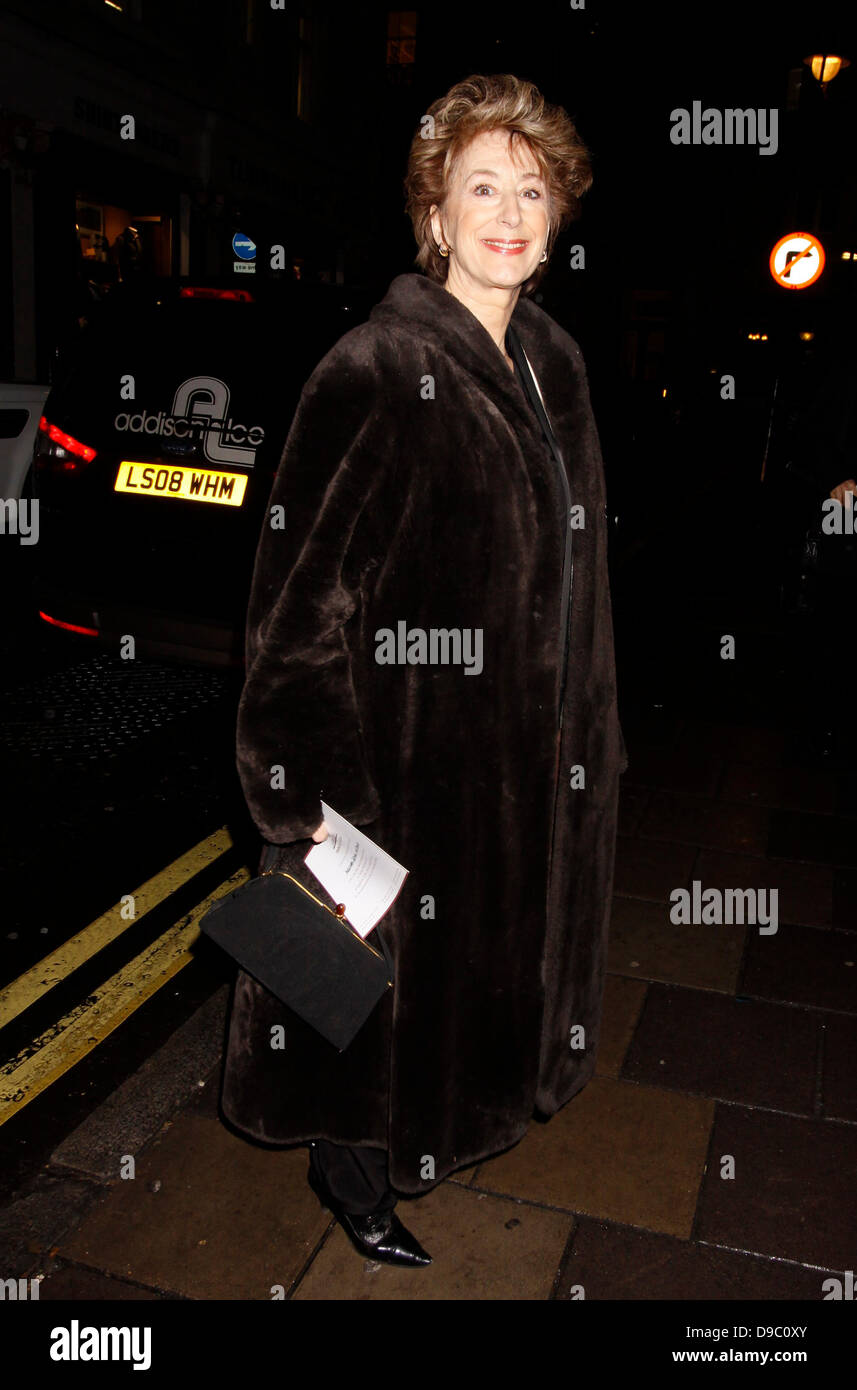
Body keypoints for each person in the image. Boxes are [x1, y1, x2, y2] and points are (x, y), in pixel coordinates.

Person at [220, 73, 626, 1268]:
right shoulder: (375, 367)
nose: (509, 213)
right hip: (404, 768)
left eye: (531, 191)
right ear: (434, 217)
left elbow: (582, 583)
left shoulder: (556, 365)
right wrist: (317, 809)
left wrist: (591, 735)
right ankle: (353, 1180)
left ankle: (421, 1143)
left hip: (526, 763)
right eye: (480, 189)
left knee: (476, 998)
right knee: (372, 1010)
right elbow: (294, 612)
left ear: (556, 220)